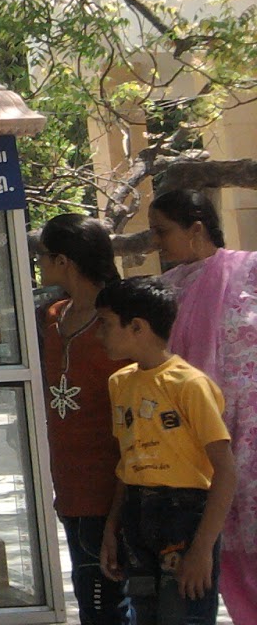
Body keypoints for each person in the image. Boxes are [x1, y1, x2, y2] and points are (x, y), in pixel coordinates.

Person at [98, 276, 235, 625]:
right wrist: (112, 529)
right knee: (143, 614)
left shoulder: (189, 385)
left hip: (185, 516)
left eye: (106, 324)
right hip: (136, 512)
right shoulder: (120, 383)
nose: (100, 334)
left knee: (183, 614)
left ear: (137, 327)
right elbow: (126, 463)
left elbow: (226, 471)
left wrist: (203, 548)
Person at [149, 187, 257, 620]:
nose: (157, 243)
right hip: (203, 440)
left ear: (196, 230)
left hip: (252, 433)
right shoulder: (164, 292)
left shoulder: (250, 271)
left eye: (163, 232)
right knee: (224, 546)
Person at [37, 214, 130, 625]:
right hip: (70, 489)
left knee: (106, 606)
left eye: (44, 256)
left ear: (64, 261)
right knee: (92, 601)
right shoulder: (53, 316)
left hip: (114, 490)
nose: (39, 265)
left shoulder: (122, 322)